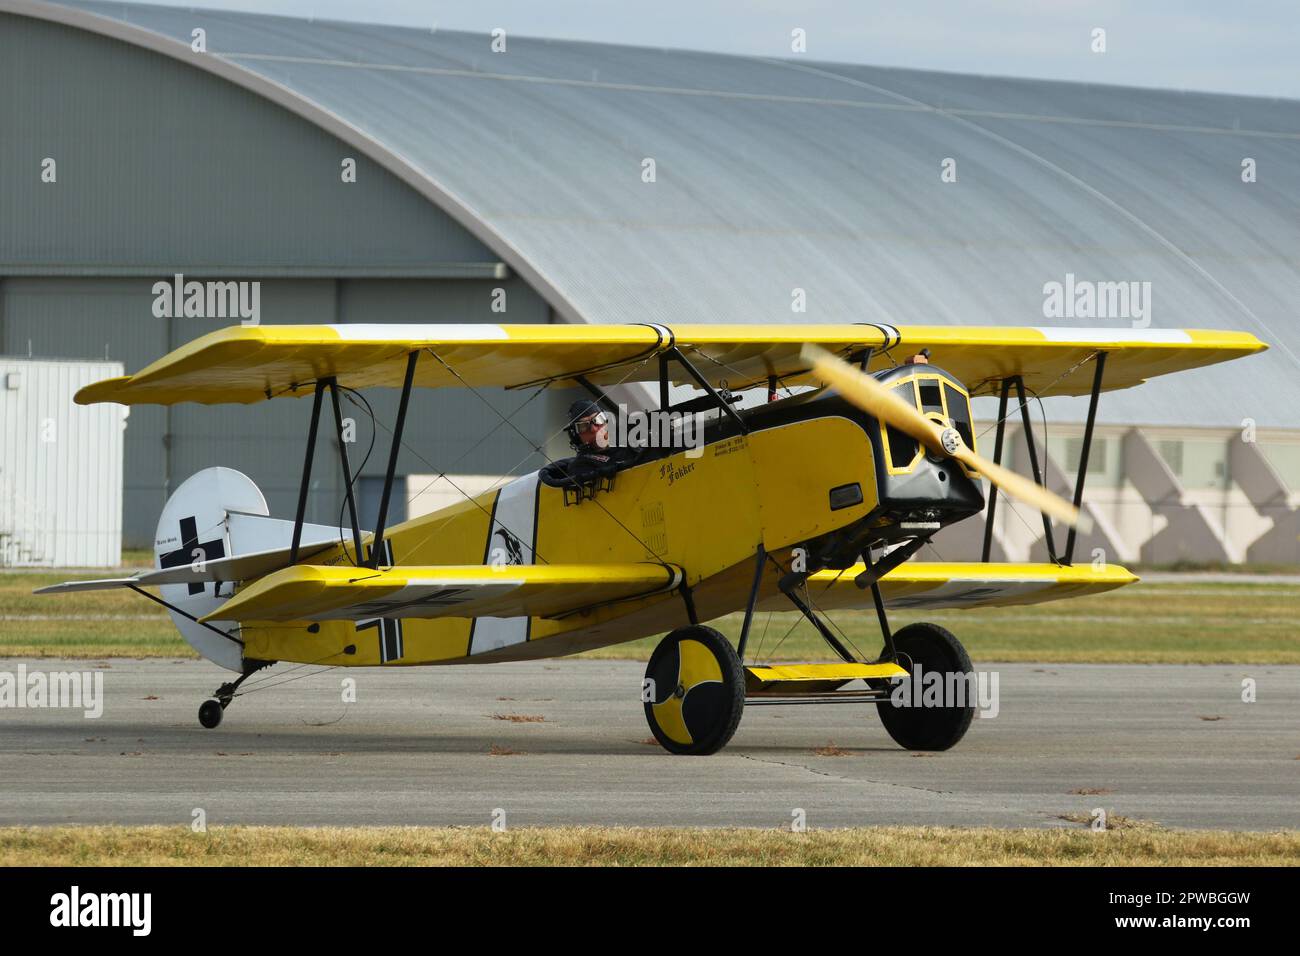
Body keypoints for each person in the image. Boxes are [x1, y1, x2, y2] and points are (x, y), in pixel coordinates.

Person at [540, 399, 638, 500]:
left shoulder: (632, 441)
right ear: (576, 436)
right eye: (583, 426)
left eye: (598, 419)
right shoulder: (580, 465)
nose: (594, 429)